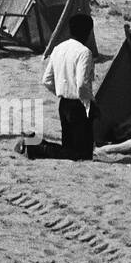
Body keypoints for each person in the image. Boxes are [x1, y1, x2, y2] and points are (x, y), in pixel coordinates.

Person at [18, 13, 97, 160]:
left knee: (68, 148)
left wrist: (62, 91)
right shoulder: (84, 52)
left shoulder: (58, 48)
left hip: (64, 104)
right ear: (87, 32)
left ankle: (34, 142)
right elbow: (81, 85)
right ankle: (36, 146)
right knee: (82, 154)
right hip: (79, 105)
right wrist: (90, 103)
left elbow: (47, 80)